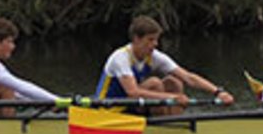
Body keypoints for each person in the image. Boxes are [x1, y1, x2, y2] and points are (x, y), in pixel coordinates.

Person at [96, 16, 234, 111]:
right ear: (136, 39)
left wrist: (218, 92)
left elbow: (188, 77)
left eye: (156, 39)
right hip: (109, 109)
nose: (155, 44)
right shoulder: (120, 58)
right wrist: (174, 97)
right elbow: (132, 92)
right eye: (150, 40)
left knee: (174, 82)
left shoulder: (154, 56)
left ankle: (175, 125)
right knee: (155, 83)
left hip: (133, 106)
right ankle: (166, 128)